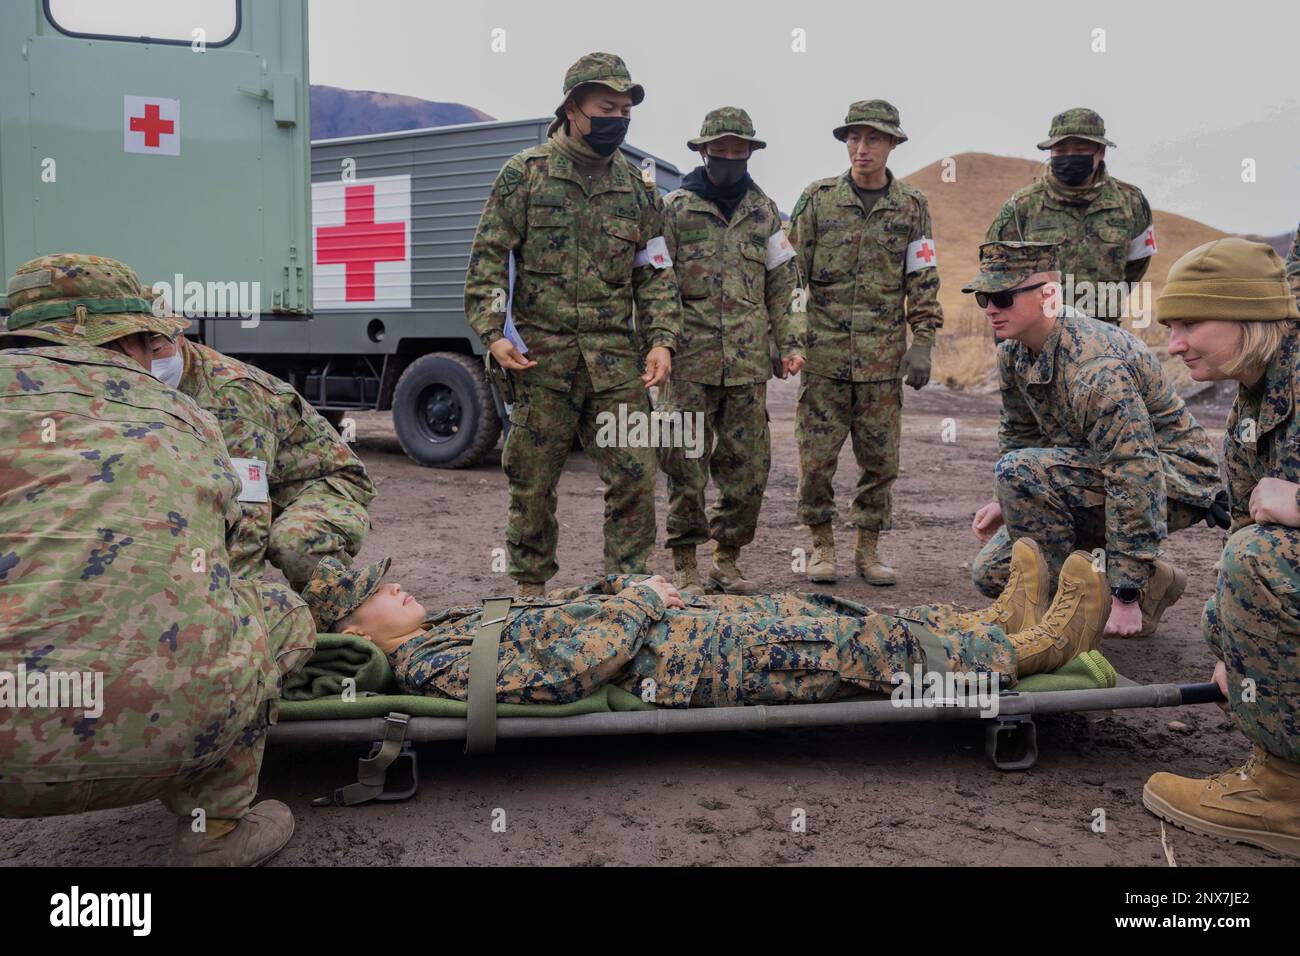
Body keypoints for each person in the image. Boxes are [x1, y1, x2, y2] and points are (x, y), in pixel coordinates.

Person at [0, 254, 316, 866]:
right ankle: (215, 832)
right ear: (132, 339)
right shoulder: (187, 415)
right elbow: (227, 555)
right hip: (169, 735)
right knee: (275, 610)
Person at [302, 536, 1107, 707]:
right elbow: (566, 671)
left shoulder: (440, 627)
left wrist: (630, 583)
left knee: (830, 608)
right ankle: (1022, 653)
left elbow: (565, 609)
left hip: (683, 631)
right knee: (853, 646)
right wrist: (646, 603)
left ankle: (984, 620)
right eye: (379, 590)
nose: (398, 584)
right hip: (681, 666)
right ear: (357, 631)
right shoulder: (428, 666)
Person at [462, 52, 681, 596]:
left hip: (613, 364)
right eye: (607, 107)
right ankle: (530, 589)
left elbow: (654, 274)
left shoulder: (638, 189)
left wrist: (660, 340)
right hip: (541, 362)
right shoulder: (526, 175)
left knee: (634, 472)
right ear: (573, 108)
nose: (618, 119)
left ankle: (628, 586)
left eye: (626, 111)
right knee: (533, 481)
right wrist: (492, 332)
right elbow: (489, 257)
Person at [965, 241, 1221, 638]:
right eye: (984, 297)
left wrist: (1125, 591)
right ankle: (1157, 583)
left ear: (1048, 296)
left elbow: (1133, 468)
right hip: (1095, 470)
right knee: (992, 574)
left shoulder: (1095, 367)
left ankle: (1055, 622)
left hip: (1172, 481)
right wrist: (1010, 496)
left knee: (1022, 474)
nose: (990, 309)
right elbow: (1020, 433)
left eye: (1001, 297)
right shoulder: (1013, 355)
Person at [1143, 237, 1300, 859]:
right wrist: (1235, 645)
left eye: (1189, 324)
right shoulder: (1250, 410)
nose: (1175, 344)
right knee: (1245, 571)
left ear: (1246, 318)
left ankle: (1284, 793)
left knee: (1263, 559)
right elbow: (1238, 528)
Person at [788, 100, 942, 587]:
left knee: (880, 462)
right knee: (816, 460)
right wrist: (788, 337)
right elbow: (792, 279)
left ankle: (867, 549)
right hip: (824, 357)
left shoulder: (912, 207)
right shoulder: (817, 199)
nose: (862, 148)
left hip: (881, 362)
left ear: (892, 144)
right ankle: (821, 547)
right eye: (854, 138)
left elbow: (923, 276)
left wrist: (924, 341)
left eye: (874, 139)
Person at [658, 107, 803, 594]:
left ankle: (727, 558)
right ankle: (685, 563)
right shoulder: (675, 208)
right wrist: (657, 344)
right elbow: (656, 283)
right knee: (684, 463)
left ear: (749, 153)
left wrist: (790, 343)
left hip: (746, 365)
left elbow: (783, 284)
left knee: (749, 468)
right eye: (719, 149)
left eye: (737, 149)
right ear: (703, 151)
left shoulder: (765, 211)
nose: (728, 157)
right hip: (689, 362)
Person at [145, 300, 375, 592]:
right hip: (261, 485)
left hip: (317, 485)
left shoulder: (230, 396)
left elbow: (247, 509)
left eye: (156, 351)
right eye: (139, 353)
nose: (150, 366)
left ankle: (333, 614)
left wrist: (239, 607)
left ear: (179, 337)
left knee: (295, 543)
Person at [985, 108, 1155, 324]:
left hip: (1103, 328)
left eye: (1080, 149)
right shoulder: (1023, 205)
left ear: (1100, 151)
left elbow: (1137, 263)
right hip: (1037, 329)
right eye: (1061, 150)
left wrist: (1103, 301)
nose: (1069, 156)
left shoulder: (1131, 203)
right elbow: (994, 265)